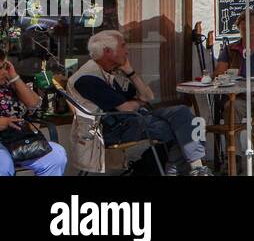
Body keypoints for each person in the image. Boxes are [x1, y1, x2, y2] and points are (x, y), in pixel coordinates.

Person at [70, 29, 212, 175]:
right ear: (108, 51)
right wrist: (139, 103)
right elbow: (126, 108)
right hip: (112, 129)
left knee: (182, 112)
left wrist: (130, 71)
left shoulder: (111, 72)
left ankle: (196, 168)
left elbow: (148, 96)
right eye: (123, 46)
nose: (127, 51)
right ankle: (190, 169)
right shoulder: (88, 78)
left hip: (134, 119)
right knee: (188, 127)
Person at [0, 57, 67, 176]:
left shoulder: (10, 84)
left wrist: (14, 76)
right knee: (3, 164)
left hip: (18, 139)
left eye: (3, 67)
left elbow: (34, 103)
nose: (4, 72)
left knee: (56, 155)